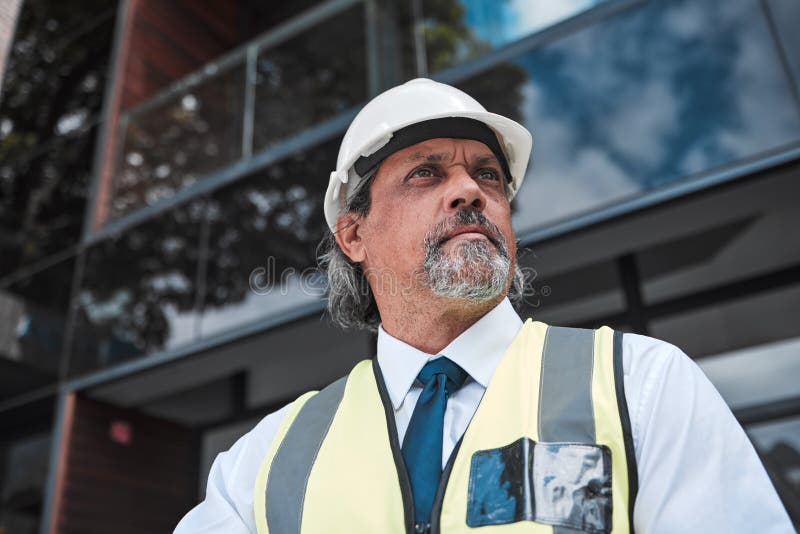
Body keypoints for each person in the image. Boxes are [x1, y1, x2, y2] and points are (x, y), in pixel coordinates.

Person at [174, 79, 793, 533]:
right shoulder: (263, 464)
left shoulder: (643, 385)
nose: (470, 190)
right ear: (353, 235)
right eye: (426, 173)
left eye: (488, 175)